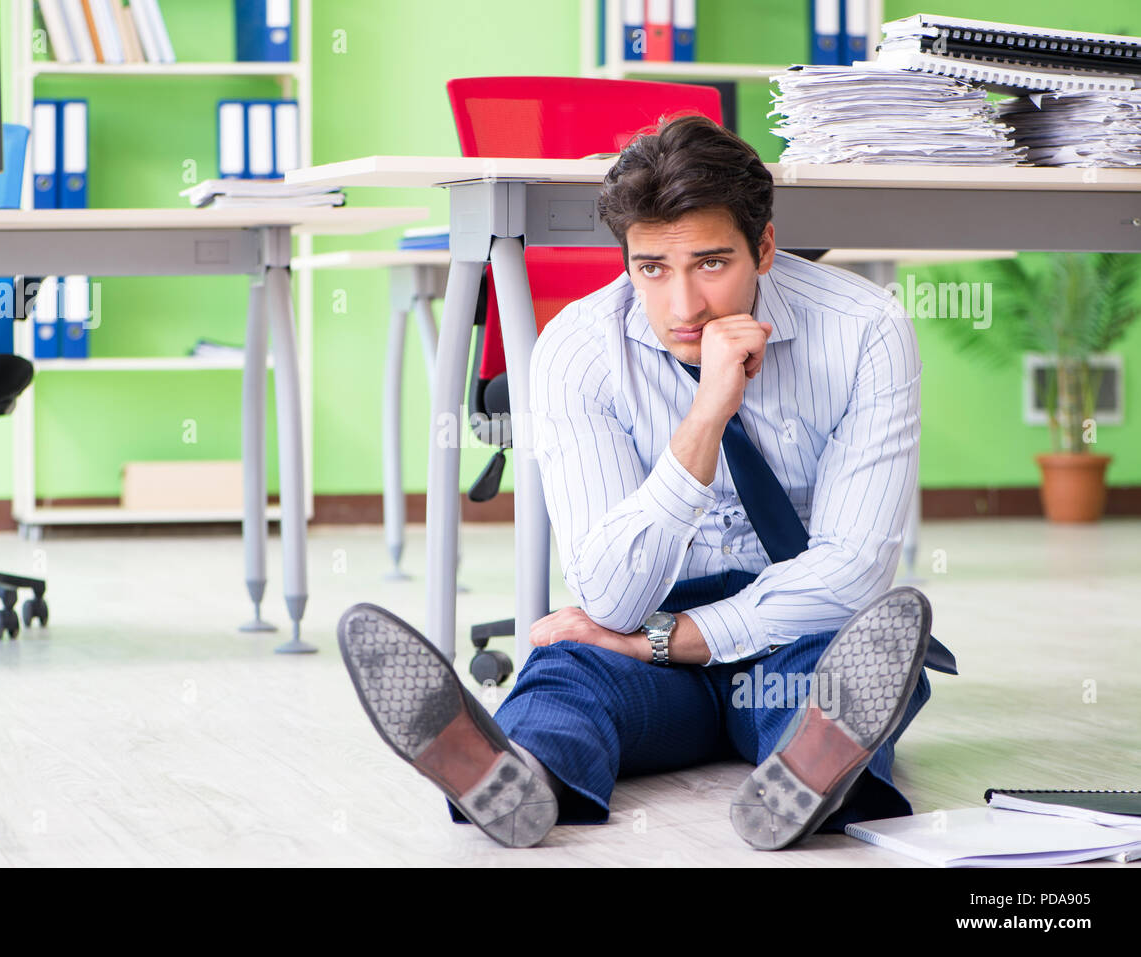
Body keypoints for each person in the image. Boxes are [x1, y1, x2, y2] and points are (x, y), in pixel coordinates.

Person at [338, 112, 949, 851]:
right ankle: (519, 774)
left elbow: (851, 573)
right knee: (570, 675)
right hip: (645, 635)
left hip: (792, 627)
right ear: (625, 259)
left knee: (842, 675)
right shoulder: (576, 350)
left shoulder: (865, 331)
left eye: (712, 264)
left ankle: (811, 772)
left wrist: (671, 639)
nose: (683, 306)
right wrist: (706, 414)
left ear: (764, 247)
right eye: (652, 268)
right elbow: (610, 597)